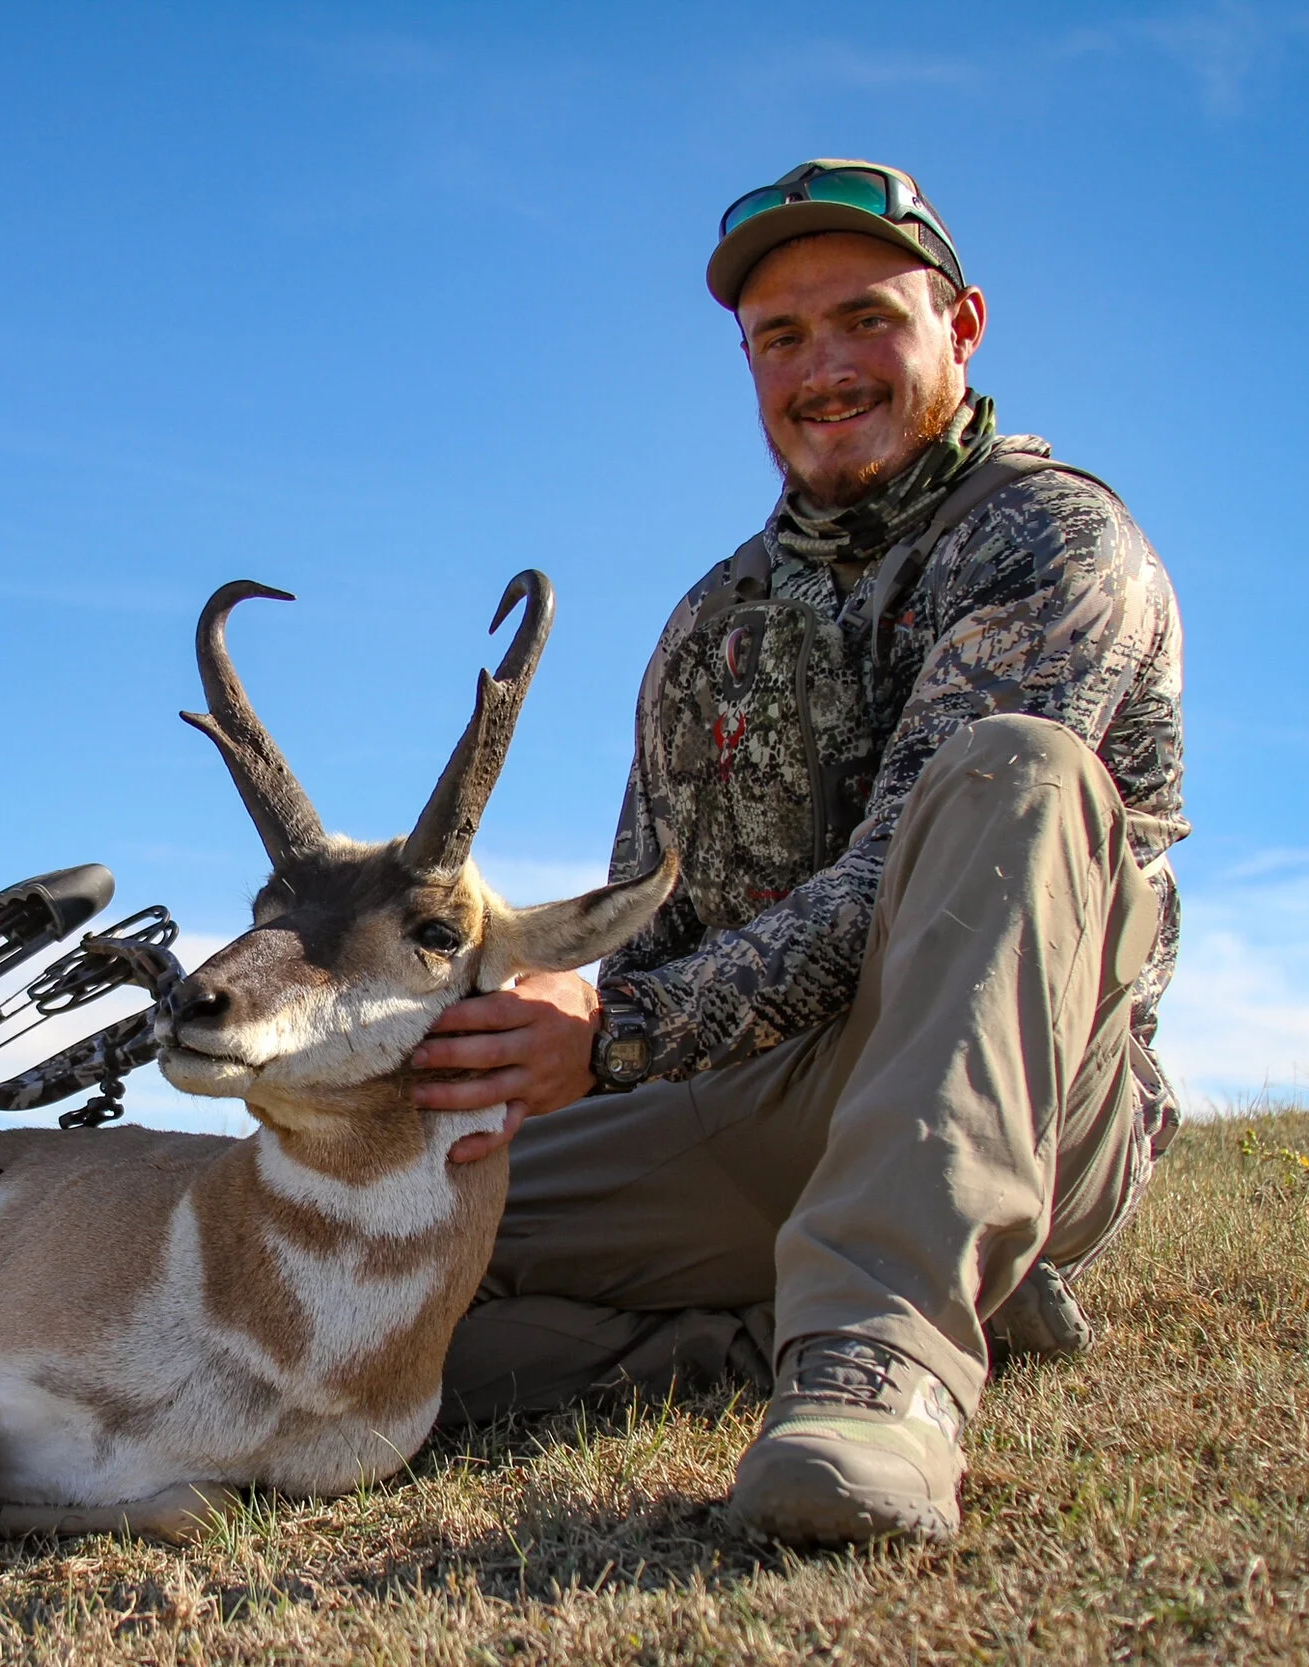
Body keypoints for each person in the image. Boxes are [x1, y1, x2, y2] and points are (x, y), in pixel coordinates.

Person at [416, 159, 1188, 1547]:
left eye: (866, 321)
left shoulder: (1053, 541)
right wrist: (507, 1016)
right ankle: (753, 1334)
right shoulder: (709, 623)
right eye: (781, 336)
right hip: (764, 1096)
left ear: (962, 327)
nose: (824, 369)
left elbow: (881, 885)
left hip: (1024, 1092)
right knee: (389, 1256)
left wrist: (621, 1031)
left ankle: (877, 1369)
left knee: (1015, 768)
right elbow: (646, 931)